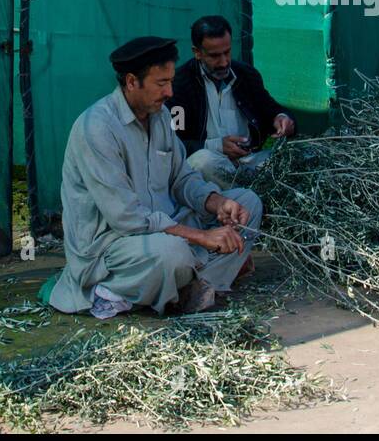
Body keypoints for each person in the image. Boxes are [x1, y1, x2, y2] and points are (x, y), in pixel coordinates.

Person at [46, 36, 262, 319]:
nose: (170, 92)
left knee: (248, 204)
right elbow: (127, 218)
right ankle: (118, 290)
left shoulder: (159, 117)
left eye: (171, 81)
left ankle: (195, 287)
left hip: (166, 227)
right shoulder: (96, 128)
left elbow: (182, 178)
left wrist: (216, 202)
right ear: (132, 82)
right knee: (173, 253)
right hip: (112, 245)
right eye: (161, 83)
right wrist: (201, 237)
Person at [168, 15, 295, 190]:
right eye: (214, 56)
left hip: (250, 161)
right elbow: (174, 143)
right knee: (201, 162)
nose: (224, 62)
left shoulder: (247, 76)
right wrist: (217, 146)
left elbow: (271, 109)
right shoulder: (179, 86)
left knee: (295, 158)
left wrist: (282, 118)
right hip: (212, 166)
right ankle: (252, 194)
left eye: (227, 52)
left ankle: (249, 192)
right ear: (197, 52)